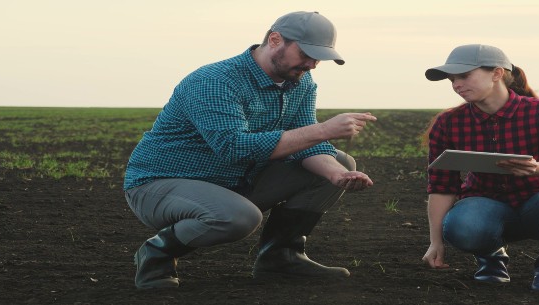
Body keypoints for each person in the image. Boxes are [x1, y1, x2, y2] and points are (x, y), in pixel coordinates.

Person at [122, 11, 377, 289]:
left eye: (318, 58)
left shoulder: (301, 83)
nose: (312, 64)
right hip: (161, 185)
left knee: (339, 162)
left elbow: (307, 144)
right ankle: (157, 252)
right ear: (275, 40)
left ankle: (280, 258)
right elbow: (233, 147)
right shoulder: (215, 80)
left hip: (234, 181)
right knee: (240, 217)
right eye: (306, 53)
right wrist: (324, 130)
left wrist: (337, 177)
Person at [420, 44, 539, 292]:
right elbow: (441, 186)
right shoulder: (449, 123)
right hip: (486, 207)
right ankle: (491, 258)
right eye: (452, 80)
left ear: (496, 73)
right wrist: (435, 242)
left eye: (464, 76)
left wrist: (536, 168)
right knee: (464, 224)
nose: (456, 85)